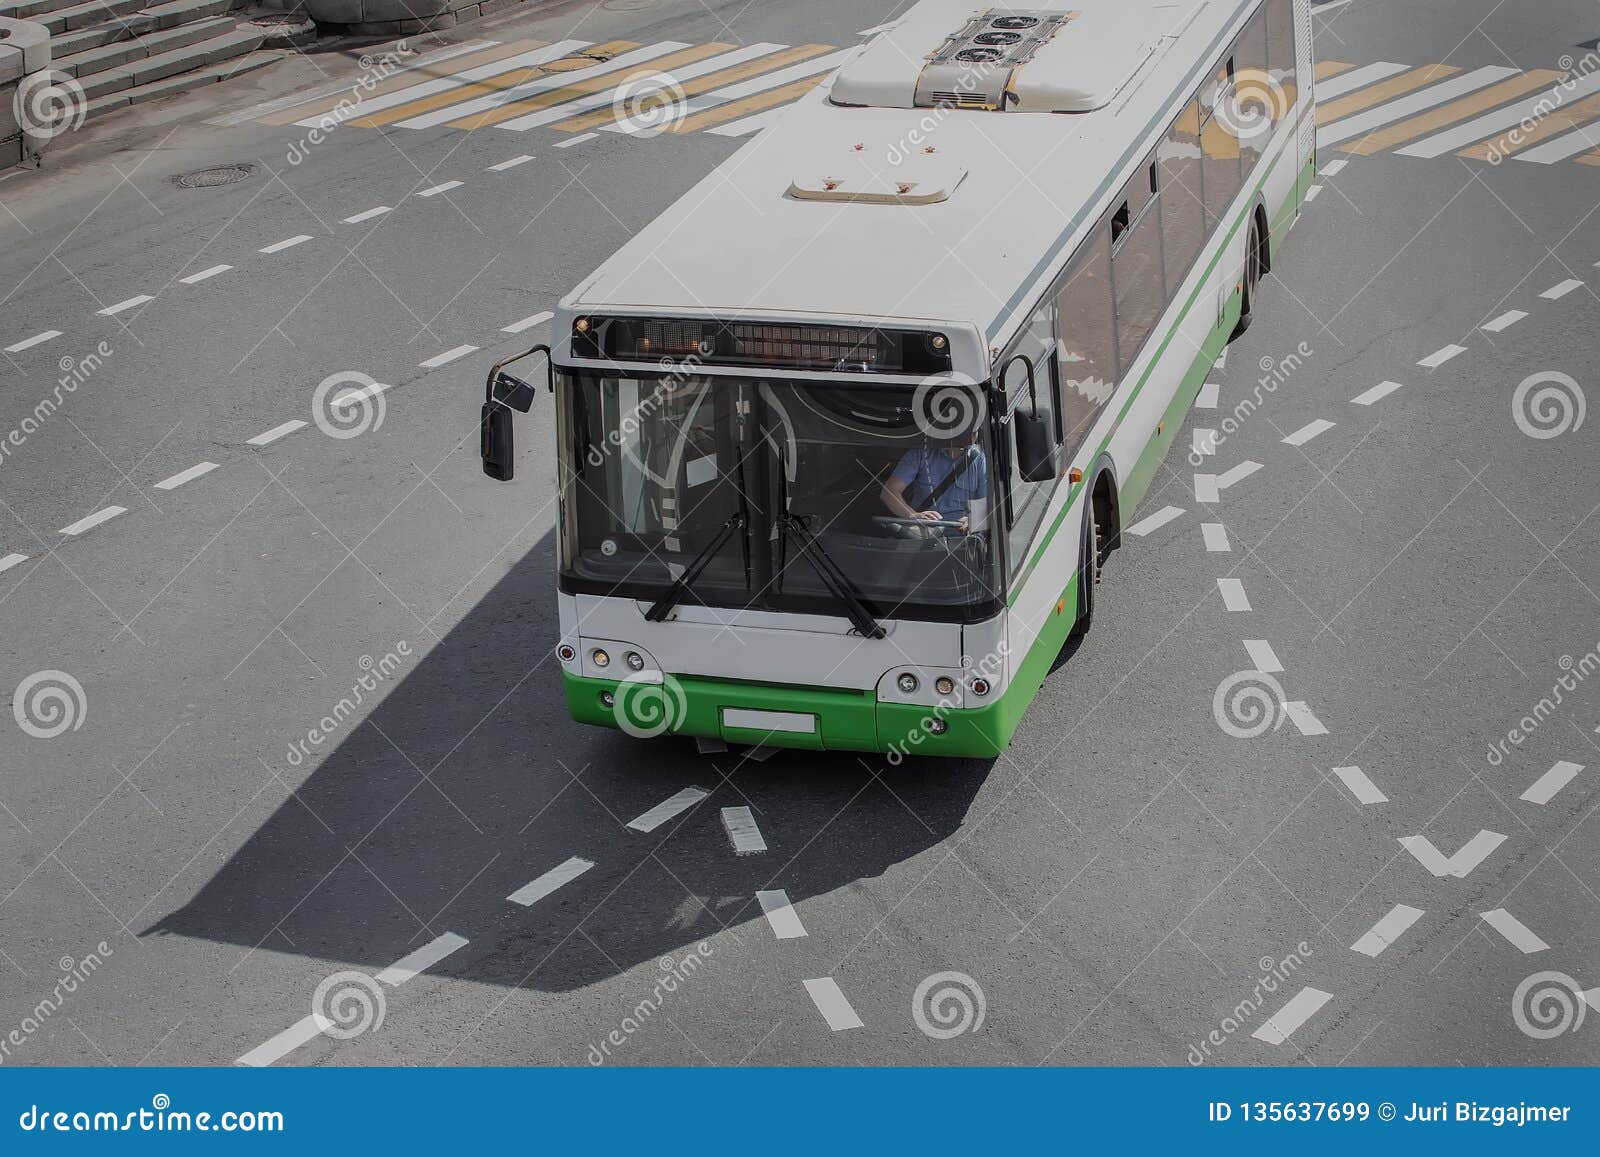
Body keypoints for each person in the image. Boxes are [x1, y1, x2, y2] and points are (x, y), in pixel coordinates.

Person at [881, 442, 987, 534]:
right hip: (921, 536)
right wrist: (913, 515)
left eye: (974, 431)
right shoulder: (921, 452)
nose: (972, 435)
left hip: (962, 542)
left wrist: (973, 519)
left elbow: (987, 504)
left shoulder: (981, 459)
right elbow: (889, 492)